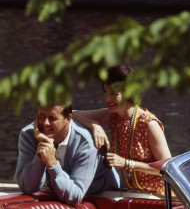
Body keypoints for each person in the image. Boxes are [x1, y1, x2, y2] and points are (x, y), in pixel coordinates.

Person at [74, 63, 172, 197]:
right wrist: (94, 125)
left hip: (161, 197)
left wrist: (126, 163)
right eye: (105, 92)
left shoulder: (149, 124)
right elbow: (70, 114)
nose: (107, 98)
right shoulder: (112, 116)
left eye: (113, 93)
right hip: (134, 195)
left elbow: (167, 167)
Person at [14, 103, 118, 204]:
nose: (45, 123)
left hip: (105, 195)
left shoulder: (86, 143)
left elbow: (74, 196)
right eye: (41, 116)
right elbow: (28, 188)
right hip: (61, 192)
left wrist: (52, 164)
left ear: (68, 118)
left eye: (52, 118)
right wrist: (42, 152)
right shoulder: (28, 134)